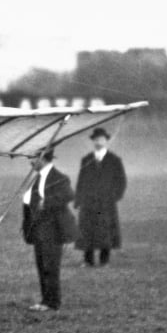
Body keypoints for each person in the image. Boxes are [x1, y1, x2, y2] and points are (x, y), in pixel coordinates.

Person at [21, 150, 76, 311]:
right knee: (42, 265)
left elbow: (69, 195)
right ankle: (45, 300)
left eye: (33, 158)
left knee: (50, 266)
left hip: (53, 230)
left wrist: (47, 202)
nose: (31, 161)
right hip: (39, 229)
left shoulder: (59, 177)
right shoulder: (37, 177)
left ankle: (52, 302)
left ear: (43, 158)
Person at [74, 128, 127, 267]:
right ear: (93, 141)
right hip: (88, 203)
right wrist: (79, 199)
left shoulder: (115, 160)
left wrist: (114, 197)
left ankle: (104, 260)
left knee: (106, 231)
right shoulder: (86, 160)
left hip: (106, 203)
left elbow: (121, 181)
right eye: (96, 139)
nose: (99, 142)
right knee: (87, 231)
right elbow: (81, 181)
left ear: (106, 141)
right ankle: (88, 260)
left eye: (101, 139)